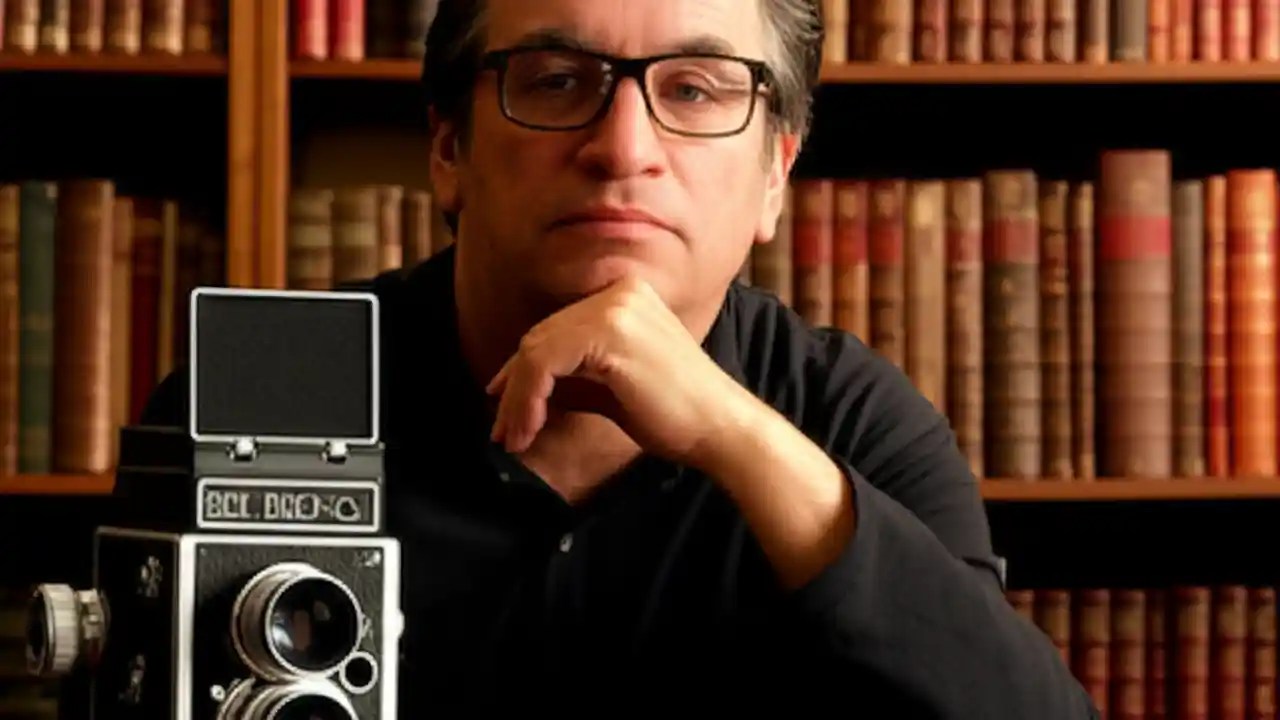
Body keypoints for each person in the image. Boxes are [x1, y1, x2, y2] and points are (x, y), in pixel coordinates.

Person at [144, 0, 1099, 715]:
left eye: (695, 89)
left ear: (775, 175)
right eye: (557, 80)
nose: (623, 146)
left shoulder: (845, 418)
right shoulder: (265, 386)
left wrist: (732, 433)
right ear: (447, 148)